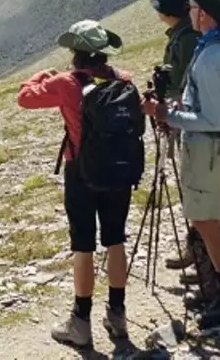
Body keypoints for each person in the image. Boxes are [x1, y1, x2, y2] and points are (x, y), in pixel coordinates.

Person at [18, 20, 134, 349]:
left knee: (83, 245)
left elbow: (25, 98)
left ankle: (80, 322)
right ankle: (118, 315)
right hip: (118, 171)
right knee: (115, 240)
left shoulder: (67, 83)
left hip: (81, 173)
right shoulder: (124, 80)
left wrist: (39, 75)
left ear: (76, 54)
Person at [145, 0, 220, 327]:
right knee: (206, 216)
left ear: (204, 14)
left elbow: (213, 119)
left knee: (206, 219)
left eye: (192, 7)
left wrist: (167, 115)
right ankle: (215, 285)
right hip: (217, 146)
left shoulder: (211, 56)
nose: (188, 12)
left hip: (207, 148)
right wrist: (178, 106)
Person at [148, 0, 204, 273]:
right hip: (192, 117)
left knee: (194, 185)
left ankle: (201, 251)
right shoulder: (187, 34)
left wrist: (165, 107)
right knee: (193, 184)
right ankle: (199, 246)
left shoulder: (185, 40)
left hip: (190, 120)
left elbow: (181, 85)